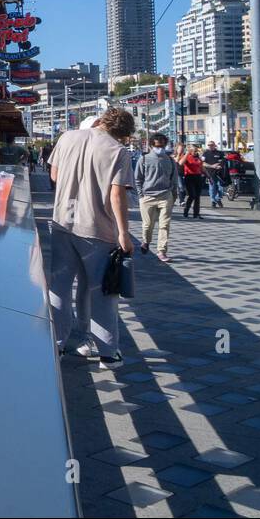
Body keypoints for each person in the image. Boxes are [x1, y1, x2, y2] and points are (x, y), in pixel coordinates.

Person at [48, 107, 137, 366]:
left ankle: (57, 344)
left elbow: (53, 175)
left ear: (102, 120)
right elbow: (117, 195)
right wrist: (124, 233)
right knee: (102, 291)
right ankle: (108, 352)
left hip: (63, 223)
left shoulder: (67, 137)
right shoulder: (118, 152)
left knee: (59, 287)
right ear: (123, 133)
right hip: (98, 229)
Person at [135, 132, 181, 262]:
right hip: (147, 196)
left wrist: (174, 194)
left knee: (164, 225)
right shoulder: (143, 159)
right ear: (151, 145)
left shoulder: (170, 160)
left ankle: (162, 251)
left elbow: (174, 179)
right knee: (147, 225)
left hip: (165, 195)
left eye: (162, 144)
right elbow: (137, 178)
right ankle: (146, 241)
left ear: (165, 144)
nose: (159, 147)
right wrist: (141, 195)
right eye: (157, 144)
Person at [180, 144, 205, 218]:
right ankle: (186, 210)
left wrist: (208, 176)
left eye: (196, 150)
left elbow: (202, 167)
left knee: (197, 196)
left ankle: (196, 213)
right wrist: (187, 153)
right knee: (192, 195)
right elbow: (181, 163)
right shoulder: (187, 156)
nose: (195, 152)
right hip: (189, 177)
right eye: (193, 150)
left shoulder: (198, 158)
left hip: (198, 177)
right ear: (190, 150)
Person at [201, 141, 227, 207]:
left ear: (214, 145)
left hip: (219, 173)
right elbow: (203, 163)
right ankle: (213, 201)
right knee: (212, 187)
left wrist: (220, 165)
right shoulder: (205, 153)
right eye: (209, 145)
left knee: (220, 188)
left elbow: (224, 160)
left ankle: (218, 199)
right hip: (210, 173)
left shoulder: (220, 153)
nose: (210, 146)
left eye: (211, 145)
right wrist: (212, 166)